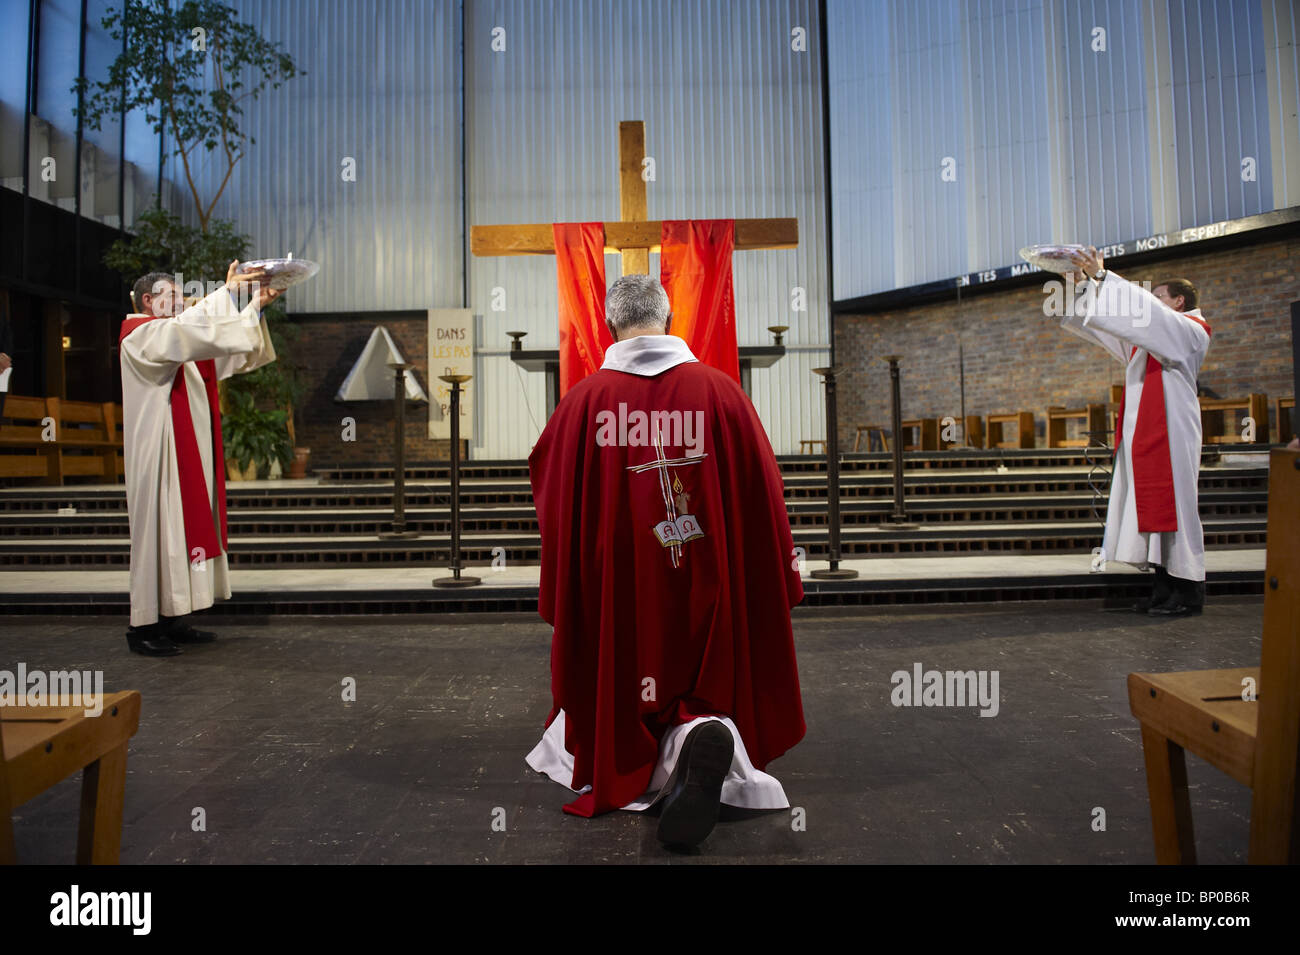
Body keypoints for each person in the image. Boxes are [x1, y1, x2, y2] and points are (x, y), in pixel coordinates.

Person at [526, 273, 805, 848]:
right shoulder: (723, 393)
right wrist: (775, 565)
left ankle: (662, 759)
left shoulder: (583, 403)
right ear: (669, 320)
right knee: (702, 674)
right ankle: (700, 732)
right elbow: (763, 491)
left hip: (620, 588)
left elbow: (554, 495)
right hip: (705, 575)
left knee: (623, 680)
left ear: (610, 324)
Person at [119, 263, 280, 656]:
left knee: (181, 535)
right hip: (159, 458)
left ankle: (174, 618)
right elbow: (188, 330)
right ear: (147, 301)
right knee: (161, 535)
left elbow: (228, 352)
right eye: (171, 297)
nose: (180, 302)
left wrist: (254, 306)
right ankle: (144, 627)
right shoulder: (139, 335)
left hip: (185, 456)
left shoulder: (176, 340)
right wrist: (228, 292)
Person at [1061, 247, 1210, 616]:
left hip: (1173, 431)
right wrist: (1083, 289)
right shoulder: (1147, 341)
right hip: (1144, 431)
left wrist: (1103, 278)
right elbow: (1103, 324)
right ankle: (1162, 588)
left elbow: (1145, 315)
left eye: (1158, 297)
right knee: (1151, 510)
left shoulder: (1191, 331)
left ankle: (1188, 592)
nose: (1151, 303)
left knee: (1175, 508)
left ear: (1179, 301)